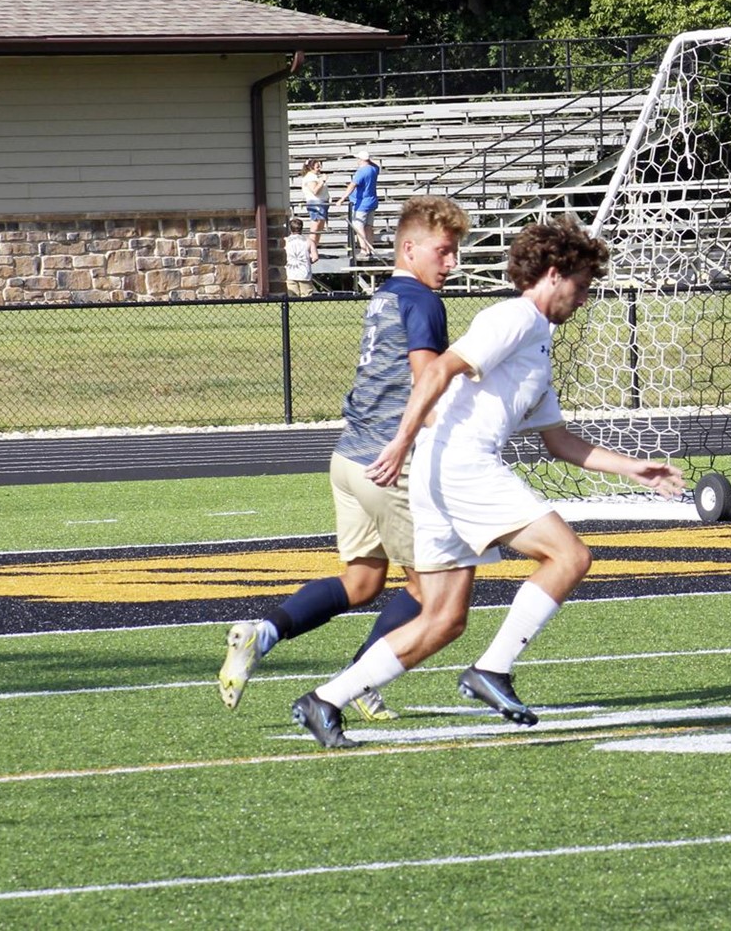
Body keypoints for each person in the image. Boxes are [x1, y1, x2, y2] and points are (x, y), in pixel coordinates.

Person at [287, 218, 687, 749]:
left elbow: (560, 443)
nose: (585, 298)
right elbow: (436, 371)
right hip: (460, 465)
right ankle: (493, 670)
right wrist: (401, 440)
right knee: (569, 558)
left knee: (444, 620)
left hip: (439, 472)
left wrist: (635, 467)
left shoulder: (537, 343)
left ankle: (325, 700)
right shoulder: (514, 318)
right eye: (583, 285)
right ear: (552, 274)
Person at [218, 196, 470, 720]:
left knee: (362, 582)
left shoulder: (384, 296)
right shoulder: (423, 301)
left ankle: (261, 633)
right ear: (410, 248)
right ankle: (358, 682)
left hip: (348, 458)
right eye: (444, 252)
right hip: (388, 464)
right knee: (430, 593)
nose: (452, 264)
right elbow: (426, 385)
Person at [338, 147, 381, 260]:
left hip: (361, 203)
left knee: (359, 226)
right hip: (372, 201)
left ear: (361, 160)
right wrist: (369, 161)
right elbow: (377, 166)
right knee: (369, 227)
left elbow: (352, 186)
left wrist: (342, 198)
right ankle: (370, 249)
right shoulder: (373, 169)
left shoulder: (361, 172)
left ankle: (363, 250)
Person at [299, 158, 329, 252]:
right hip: (316, 203)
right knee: (315, 229)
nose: (320, 168)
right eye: (317, 166)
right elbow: (315, 191)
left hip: (321, 203)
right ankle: (308, 250)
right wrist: (322, 181)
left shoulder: (315, 177)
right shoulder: (310, 177)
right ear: (311, 167)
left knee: (319, 229)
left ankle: (313, 249)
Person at [284, 218, 315, 297]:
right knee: (307, 296)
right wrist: (308, 261)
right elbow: (315, 257)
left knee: (292, 297)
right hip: (304, 273)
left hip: (290, 272)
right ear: (301, 228)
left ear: (290, 229)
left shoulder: (285, 241)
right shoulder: (309, 241)